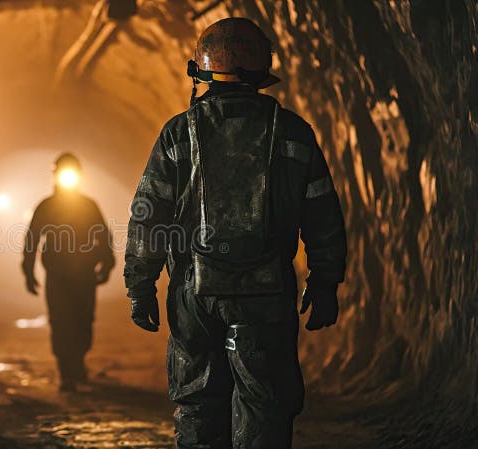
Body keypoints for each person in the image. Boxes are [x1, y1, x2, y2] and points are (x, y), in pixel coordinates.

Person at [124, 18, 347, 449]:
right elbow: (322, 215)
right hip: (266, 294)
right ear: (263, 69)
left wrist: (141, 285)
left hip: (195, 295)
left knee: (198, 404)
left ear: (203, 71)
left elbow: (149, 215)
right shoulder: (293, 133)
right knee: (264, 404)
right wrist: (325, 283)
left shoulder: (178, 134)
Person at [22, 153, 116, 392]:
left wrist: (107, 263)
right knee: (61, 321)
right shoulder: (47, 207)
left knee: (84, 320)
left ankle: (78, 362)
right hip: (58, 275)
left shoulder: (88, 206)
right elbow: (32, 238)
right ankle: (67, 372)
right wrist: (28, 270)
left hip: (84, 274)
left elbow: (103, 235)